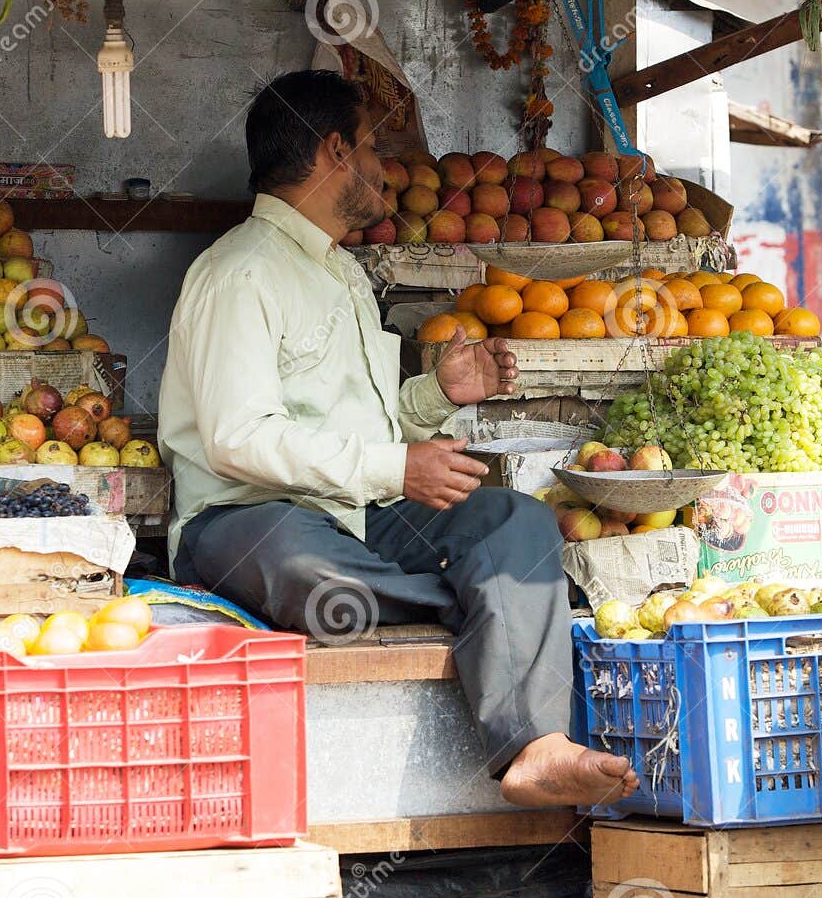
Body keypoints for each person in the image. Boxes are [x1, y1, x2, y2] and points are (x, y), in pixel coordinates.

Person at [158, 69, 639, 809]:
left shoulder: (344, 273)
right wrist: (394, 466)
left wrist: (436, 395)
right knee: (308, 569)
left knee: (516, 519)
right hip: (247, 519)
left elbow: (365, 429)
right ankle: (488, 601)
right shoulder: (237, 273)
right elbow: (235, 439)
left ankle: (535, 744)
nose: (388, 168)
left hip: (359, 515)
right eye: (375, 147)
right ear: (334, 152)